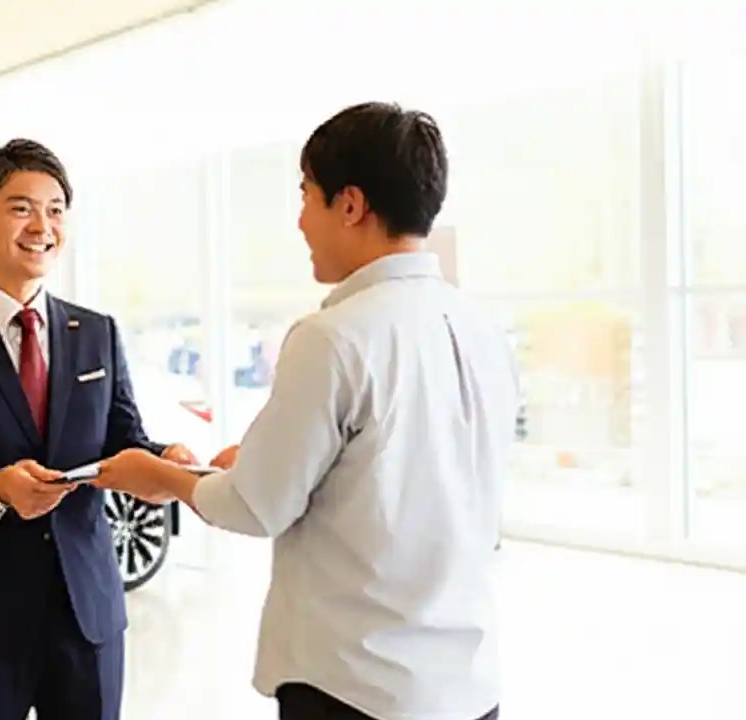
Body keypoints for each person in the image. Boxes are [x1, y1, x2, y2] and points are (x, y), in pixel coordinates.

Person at [96, 102, 518, 720]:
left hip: (357, 687)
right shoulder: (481, 327)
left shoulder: (334, 336)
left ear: (349, 204)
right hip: (469, 686)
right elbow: (409, 472)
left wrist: (157, 477)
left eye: (305, 195)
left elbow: (254, 506)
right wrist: (266, 466)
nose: (299, 222)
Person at [0, 138, 196, 720]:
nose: (43, 226)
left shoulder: (95, 331)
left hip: (86, 611)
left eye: (56, 210)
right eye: (22, 208)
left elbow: (121, 439)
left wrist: (162, 461)